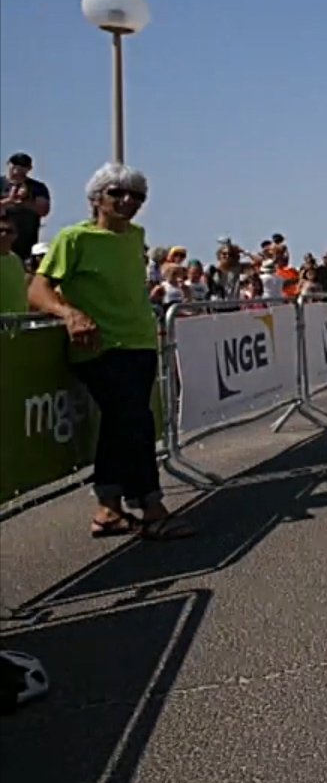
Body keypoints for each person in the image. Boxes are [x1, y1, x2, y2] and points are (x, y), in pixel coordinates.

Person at [27, 164, 193, 540]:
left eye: (136, 196)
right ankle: (151, 507)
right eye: (117, 193)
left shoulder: (136, 236)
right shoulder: (73, 238)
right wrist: (70, 314)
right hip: (100, 347)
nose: (127, 201)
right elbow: (37, 291)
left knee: (123, 424)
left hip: (140, 343)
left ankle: (108, 509)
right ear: (96, 198)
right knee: (134, 422)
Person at [2, 152, 51, 262]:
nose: (18, 169)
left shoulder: (37, 187)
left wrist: (26, 201)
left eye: (22, 166)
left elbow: (44, 210)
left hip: (26, 244)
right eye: (14, 164)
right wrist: (9, 200)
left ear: (29, 169)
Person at [0, 216, 27, 313]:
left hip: (18, 321)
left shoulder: (16, 259)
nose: (4, 234)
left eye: (9, 231)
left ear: (15, 235)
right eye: (1, 230)